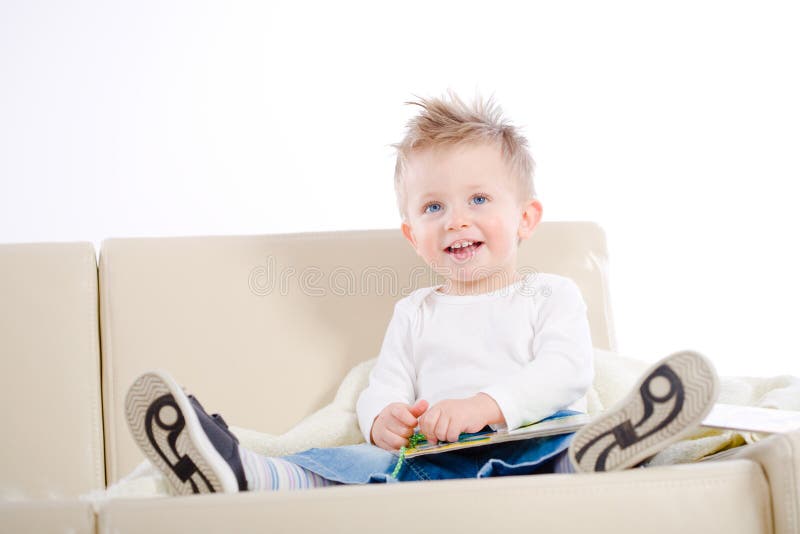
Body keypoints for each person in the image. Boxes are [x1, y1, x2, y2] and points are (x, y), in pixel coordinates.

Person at [124, 92, 719, 495]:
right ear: (413, 235)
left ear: (525, 218)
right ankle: (244, 472)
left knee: (562, 444)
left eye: (479, 199)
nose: (456, 220)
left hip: (532, 441)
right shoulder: (415, 312)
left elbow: (566, 371)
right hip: (434, 459)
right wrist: (381, 417)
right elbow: (387, 382)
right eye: (434, 207)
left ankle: (606, 452)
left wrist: (484, 405)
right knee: (351, 465)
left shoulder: (548, 295)